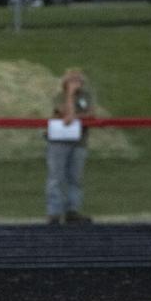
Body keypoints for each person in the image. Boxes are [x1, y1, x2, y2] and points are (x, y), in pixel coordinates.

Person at [46, 68, 95, 225]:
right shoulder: (59, 97)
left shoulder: (86, 97)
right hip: (59, 143)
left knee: (75, 178)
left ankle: (72, 211)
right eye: (72, 80)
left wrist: (74, 116)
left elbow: (90, 114)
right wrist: (70, 95)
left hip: (79, 142)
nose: (76, 83)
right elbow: (64, 115)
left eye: (78, 80)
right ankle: (54, 213)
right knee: (56, 177)